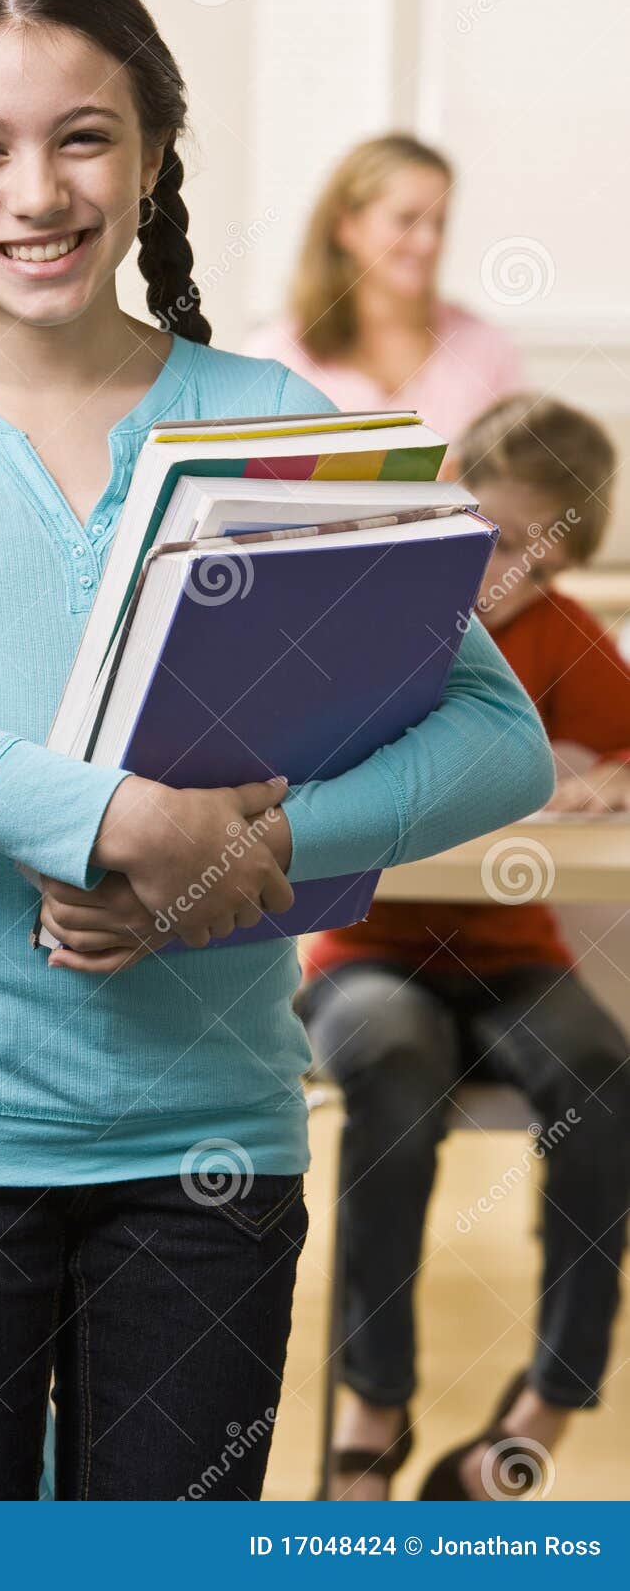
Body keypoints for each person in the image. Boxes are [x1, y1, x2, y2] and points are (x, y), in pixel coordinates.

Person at [0, 0, 555, 1501]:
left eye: (83, 136)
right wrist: (122, 819)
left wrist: (245, 852)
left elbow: (497, 735)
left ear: (151, 154)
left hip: (214, 1155)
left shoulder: (279, 418)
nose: (36, 190)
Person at [296, 392, 630, 1501]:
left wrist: (604, 779)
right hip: (373, 953)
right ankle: (371, 1407)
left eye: (539, 554)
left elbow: (620, 754)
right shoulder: (378, 623)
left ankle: (543, 1407)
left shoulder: (564, 635)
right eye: (489, 536)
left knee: (601, 1072)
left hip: (511, 956)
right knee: (391, 1061)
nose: (505, 572)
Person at [245, 133, 524, 467]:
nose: (428, 242)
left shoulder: (486, 347)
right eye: (407, 220)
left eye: (440, 223)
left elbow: (517, 484)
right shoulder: (276, 357)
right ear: (346, 225)